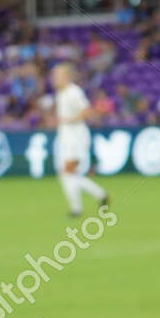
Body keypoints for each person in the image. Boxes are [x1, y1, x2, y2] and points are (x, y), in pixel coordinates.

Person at [50, 62, 109, 217]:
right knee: (69, 174)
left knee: (67, 173)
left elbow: (86, 111)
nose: (54, 78)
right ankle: (100, 195)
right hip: (66, 137)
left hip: (76, 137)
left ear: (67, 77)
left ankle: (77, 208)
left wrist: (69, 120)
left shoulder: (74, 92)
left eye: (58, 75)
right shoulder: (61, 93)